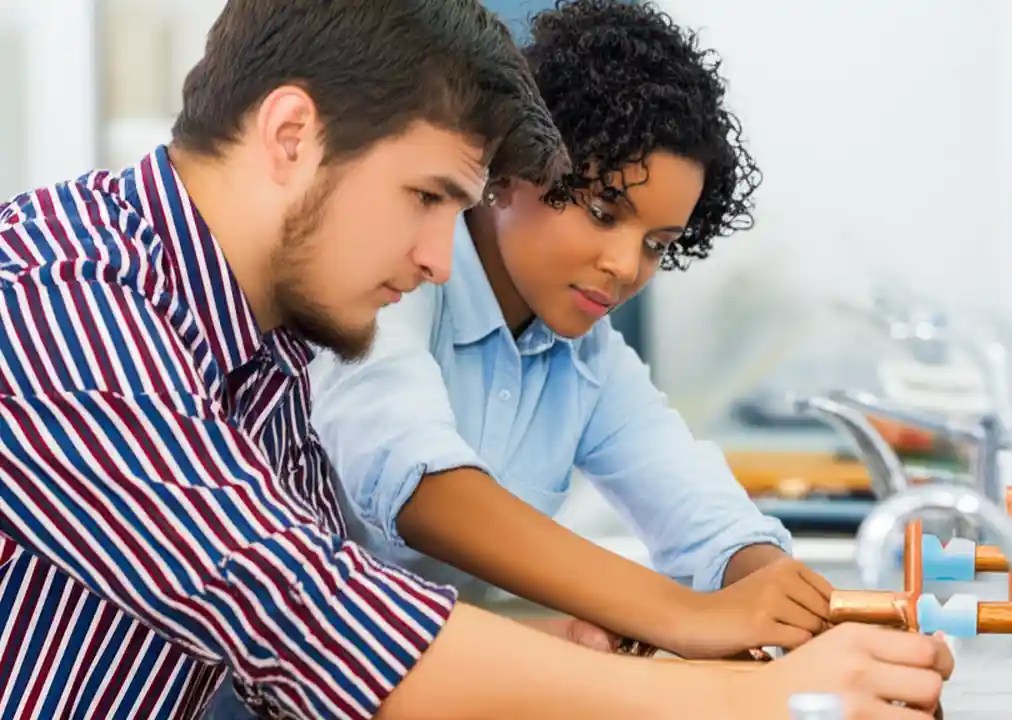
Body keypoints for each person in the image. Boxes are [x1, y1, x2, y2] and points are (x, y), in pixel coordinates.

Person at [0, 1, 953, 718]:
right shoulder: (58, 304)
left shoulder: (265, 339)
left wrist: (550, 649)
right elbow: (306, 618)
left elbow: (306, 639)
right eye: (425, 198)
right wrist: (747, 691)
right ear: (292, 137)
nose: (436, 259)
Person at [307, 0, 946, 685]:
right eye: (604, 211)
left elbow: (695, 506)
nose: (625, 265)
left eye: (656, 245)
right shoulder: (400, 280)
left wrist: (808, 610)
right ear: (513, 168)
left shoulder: (585, 355)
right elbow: (422, 488)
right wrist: (683, 615)